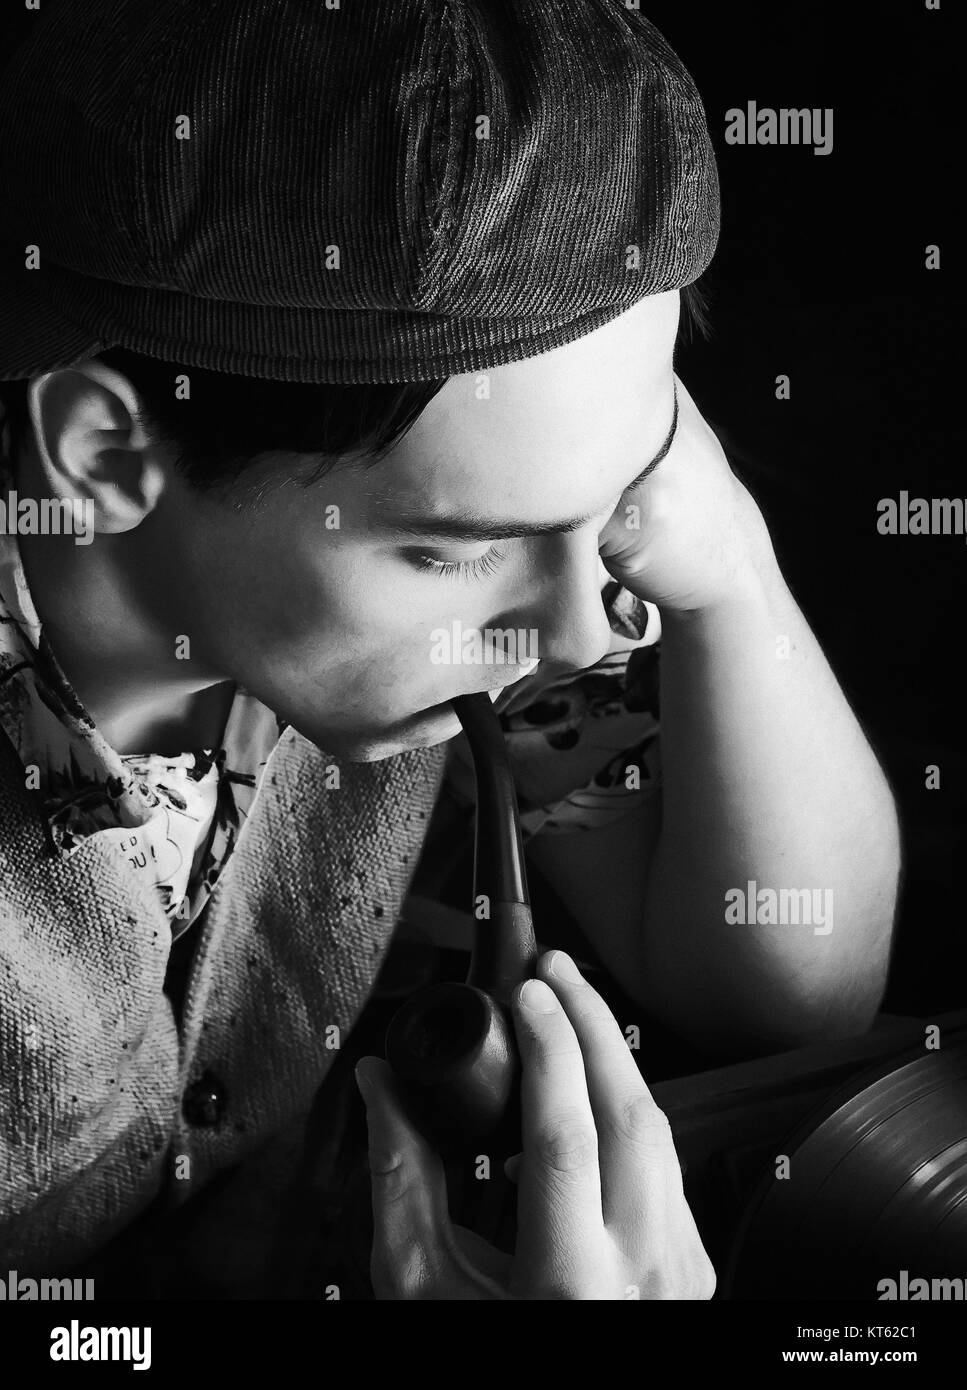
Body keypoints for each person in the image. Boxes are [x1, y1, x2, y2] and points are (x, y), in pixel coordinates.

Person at [0, 1, 900, 1298]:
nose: (588, 627)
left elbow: (788, 978)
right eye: (457, 546)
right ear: (105, 453)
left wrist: (729, 572)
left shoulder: (467, 629)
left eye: (618, 498)